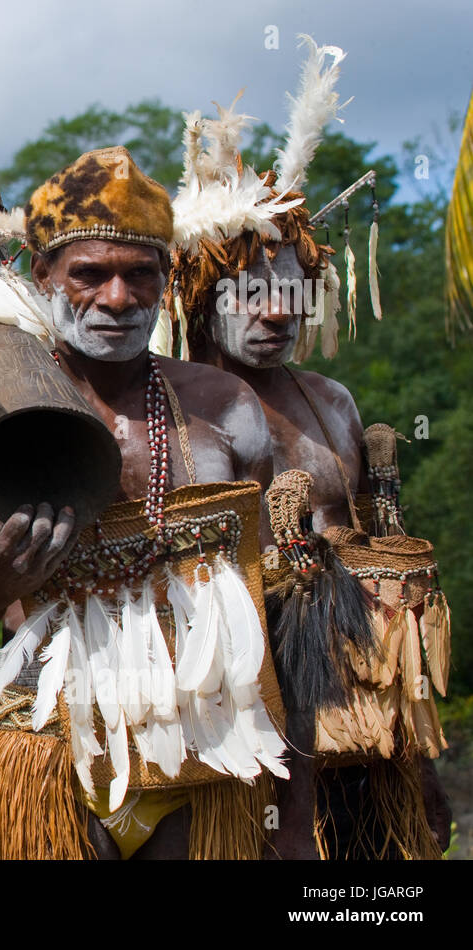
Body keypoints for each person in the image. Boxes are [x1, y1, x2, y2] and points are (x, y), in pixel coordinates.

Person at [0, 146, 311, 858]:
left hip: (208, 763)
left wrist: (298, 821)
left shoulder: (227, 409)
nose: (117, 299)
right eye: (89, 274)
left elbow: (278, 624)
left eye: (139, 274)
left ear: (166, 278)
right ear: (42, 275)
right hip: (48, 762)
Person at [165, 35, 451, 858]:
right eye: (251, 289)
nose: (277, 310)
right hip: (238, 709)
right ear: (200, 291)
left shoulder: (333, 401)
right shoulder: (168, 409)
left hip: (361, 703)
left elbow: (372, 540)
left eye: (291, 288)